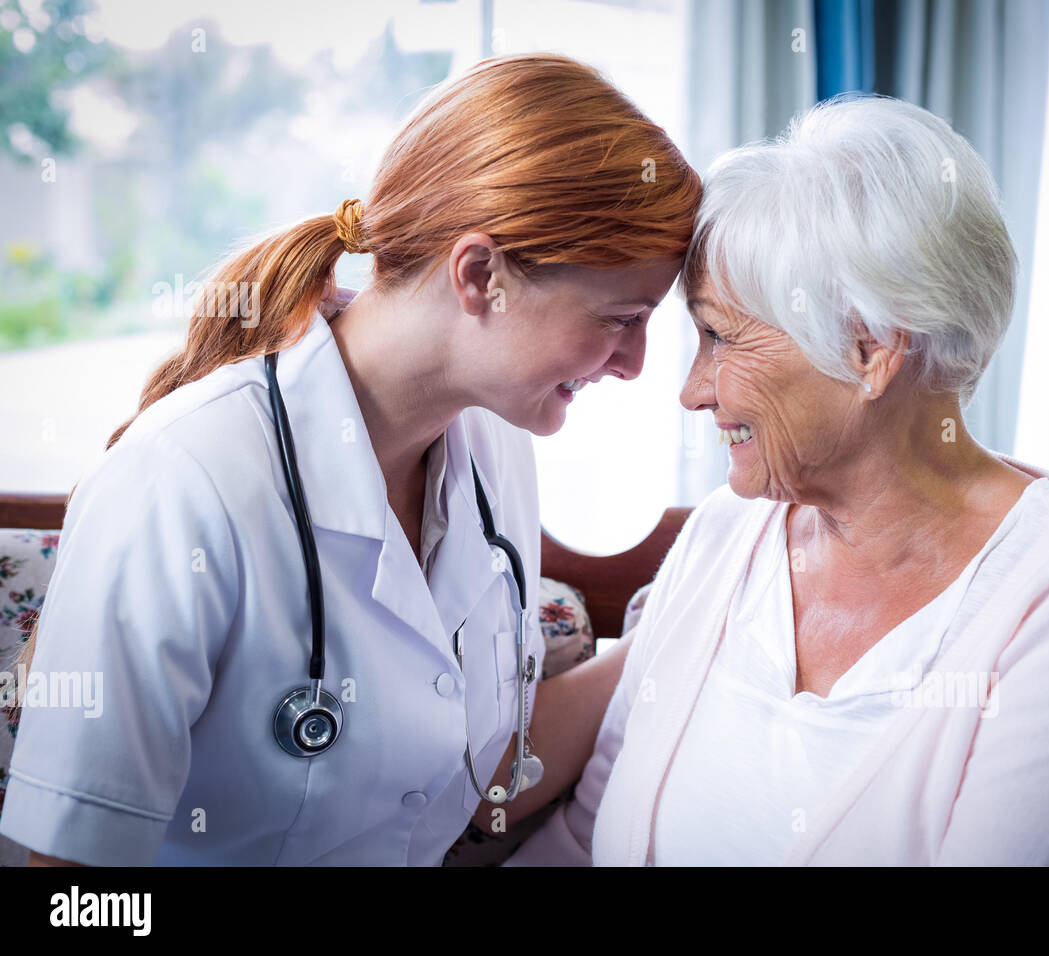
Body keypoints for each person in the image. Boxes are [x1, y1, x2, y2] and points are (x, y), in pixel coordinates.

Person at [0, 53, 701, 866]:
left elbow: (470, 779)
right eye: (621, 317)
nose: (636, 365)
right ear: (479, 276)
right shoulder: (183, 483)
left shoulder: (494, 447)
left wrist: (672, 635)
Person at [505, 94, 1049, 866]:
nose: (693, 390)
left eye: (720, 337)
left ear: (870, 349)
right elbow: (588, 834)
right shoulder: (724, 536)